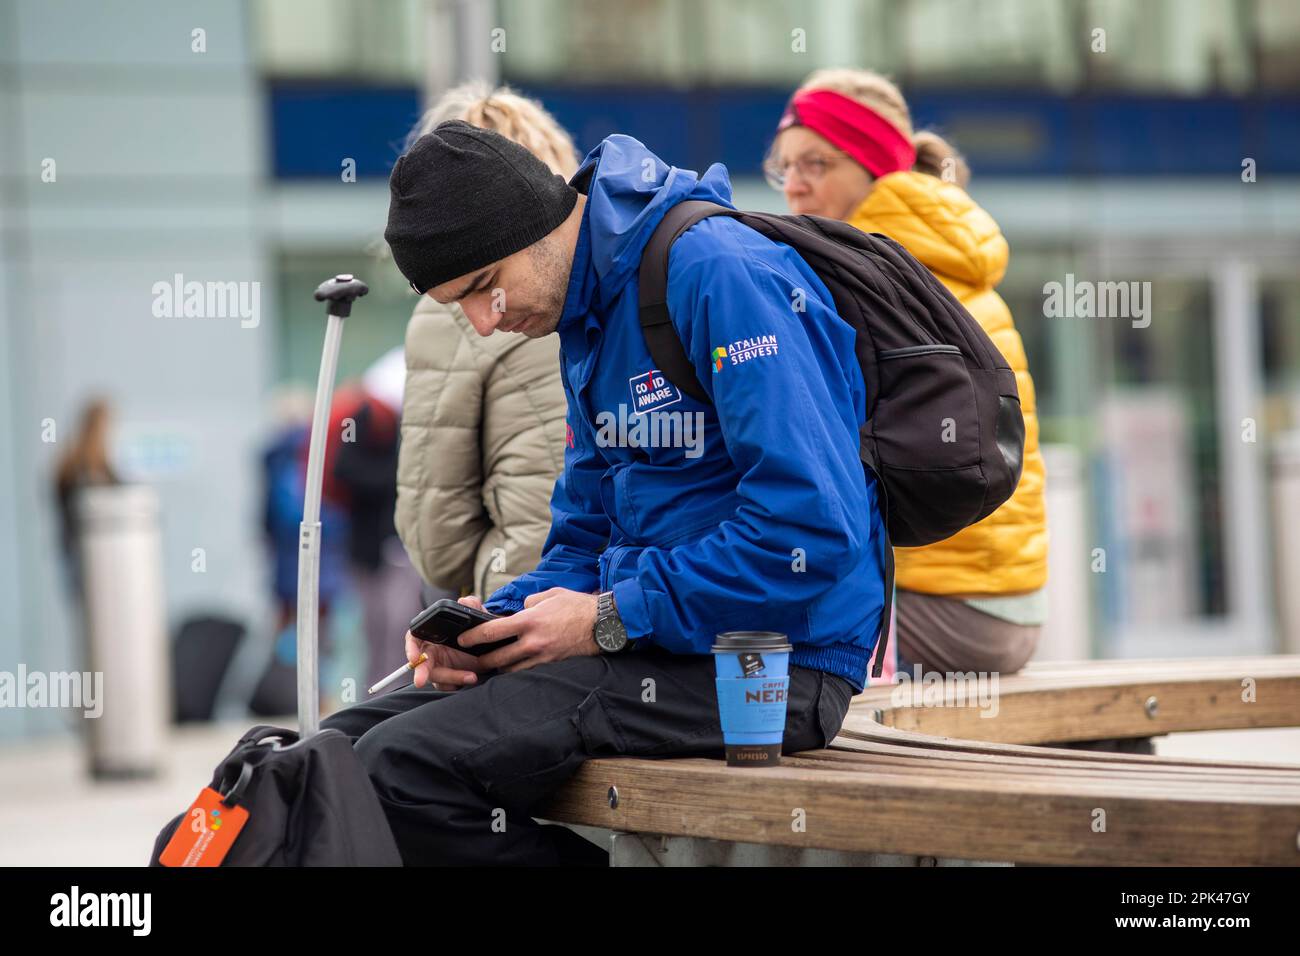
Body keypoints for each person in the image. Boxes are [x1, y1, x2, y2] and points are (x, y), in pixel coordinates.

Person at [320, 121, 884, 865]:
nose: (486, 326)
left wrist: (613, 617)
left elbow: (812, 531)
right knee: (331, 751)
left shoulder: (721, 273)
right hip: (658, 646)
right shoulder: (587, 316)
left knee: (400, 770)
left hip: (775, 667)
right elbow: (586, 534)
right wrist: (498, 626)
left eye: (485, 288)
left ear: (535, 227)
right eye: (460, 307)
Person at [766, 68, 1048, 677]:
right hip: (1007, 602)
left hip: (951, 608)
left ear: (875, 168)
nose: (794, 186)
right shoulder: (938, 251)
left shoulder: (874, 274)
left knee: (733, 641)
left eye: (817, 164)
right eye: (784, 166)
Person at [393, 82, 572, 601]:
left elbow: (436, 539)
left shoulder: (444, 314)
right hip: (615, 598)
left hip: (520, 595)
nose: (485, 319)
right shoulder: (604, 277)